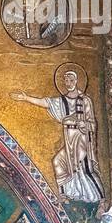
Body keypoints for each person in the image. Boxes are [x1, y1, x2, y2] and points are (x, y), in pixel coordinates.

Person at [11, 69, 104, 203]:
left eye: (71, 80)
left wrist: (83, 123)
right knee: (58, 161)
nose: (68, 83)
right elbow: (46, 102)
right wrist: (26, 98)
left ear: (76, 81)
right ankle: (64, 194)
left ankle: (101, 200)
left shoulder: (85, 100)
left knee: (84, 167)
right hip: (69, 137)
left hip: (81, 138)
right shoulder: (62, 100)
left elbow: (92, 123)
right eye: (66, 80)